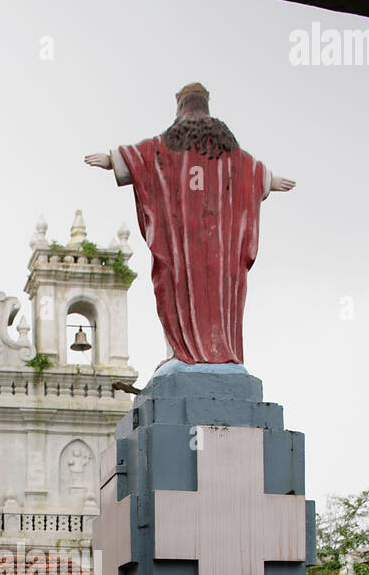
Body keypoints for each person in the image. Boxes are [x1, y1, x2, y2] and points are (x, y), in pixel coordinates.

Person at [85, 83, 295, 365]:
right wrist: (268, 179)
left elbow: (145, 156)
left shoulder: (184, 146)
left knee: (195, 294)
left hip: (197, 245)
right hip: (197, 244)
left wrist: (114, 159)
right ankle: (183, 352)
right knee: (189, 293)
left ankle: (201, 352)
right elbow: (249, 170)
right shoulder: (211, 148)